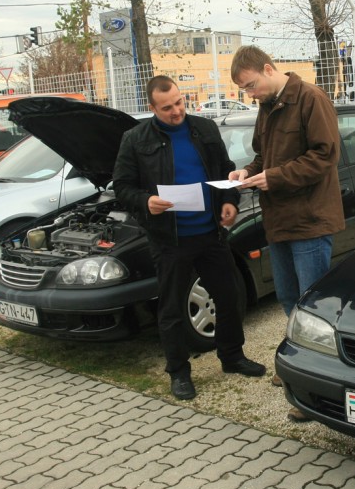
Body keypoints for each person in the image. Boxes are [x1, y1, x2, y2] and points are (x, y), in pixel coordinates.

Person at [113, 75, 266, 401]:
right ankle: (179, 372)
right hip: (169, 239)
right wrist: (146, 202)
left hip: (210, 233)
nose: (176, 111)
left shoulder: (204, 130)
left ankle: (232, 356)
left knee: (228, 297)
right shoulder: (135, 139)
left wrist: (228, 202)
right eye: (167, 108)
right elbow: (122, 188)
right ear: (152, 107)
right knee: (170, 309)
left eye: (180, 102)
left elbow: (224, 171)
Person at [227, 45, 345, 422]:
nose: (250, 94)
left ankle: (318, 387)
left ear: (267, 68)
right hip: (278, 220)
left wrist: (273, 177)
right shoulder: (267, 107)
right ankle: (298, 368)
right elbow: (265, 157)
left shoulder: (311, 98)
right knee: (289, 298)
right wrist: (247, 171)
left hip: (310, 220)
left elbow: (325, 156)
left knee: (312, 307)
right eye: (245, 90)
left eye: (250, 85)